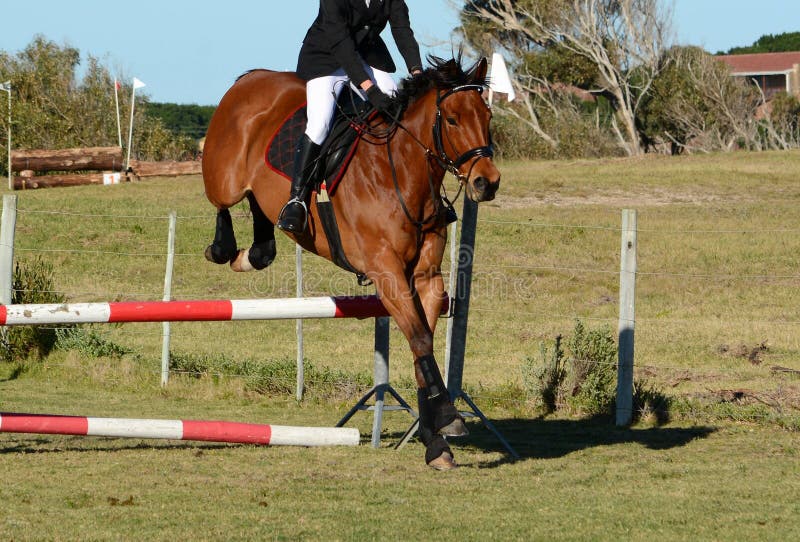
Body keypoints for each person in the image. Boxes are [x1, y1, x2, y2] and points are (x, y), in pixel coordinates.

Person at [277, 0, 423, 233]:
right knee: (320, 125)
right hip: (327, 58)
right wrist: (370, 89)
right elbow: (340, 42)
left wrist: (417, 72)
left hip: (366, 56)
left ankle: (415, 192)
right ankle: (296, 200)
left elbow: (402, 29)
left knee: (399, 112)